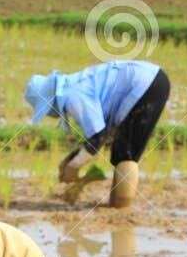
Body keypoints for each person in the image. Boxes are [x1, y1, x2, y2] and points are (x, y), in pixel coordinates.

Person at [25, 58, 171, 208]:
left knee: (127, 154)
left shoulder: (74, 96)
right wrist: (69, 160)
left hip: (147, 84)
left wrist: (73, 167)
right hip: (150, 80)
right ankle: (115, 206)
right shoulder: (73, 87)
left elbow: (98, 136)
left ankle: (122, 211)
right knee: (120, 152)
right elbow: (99, 135)